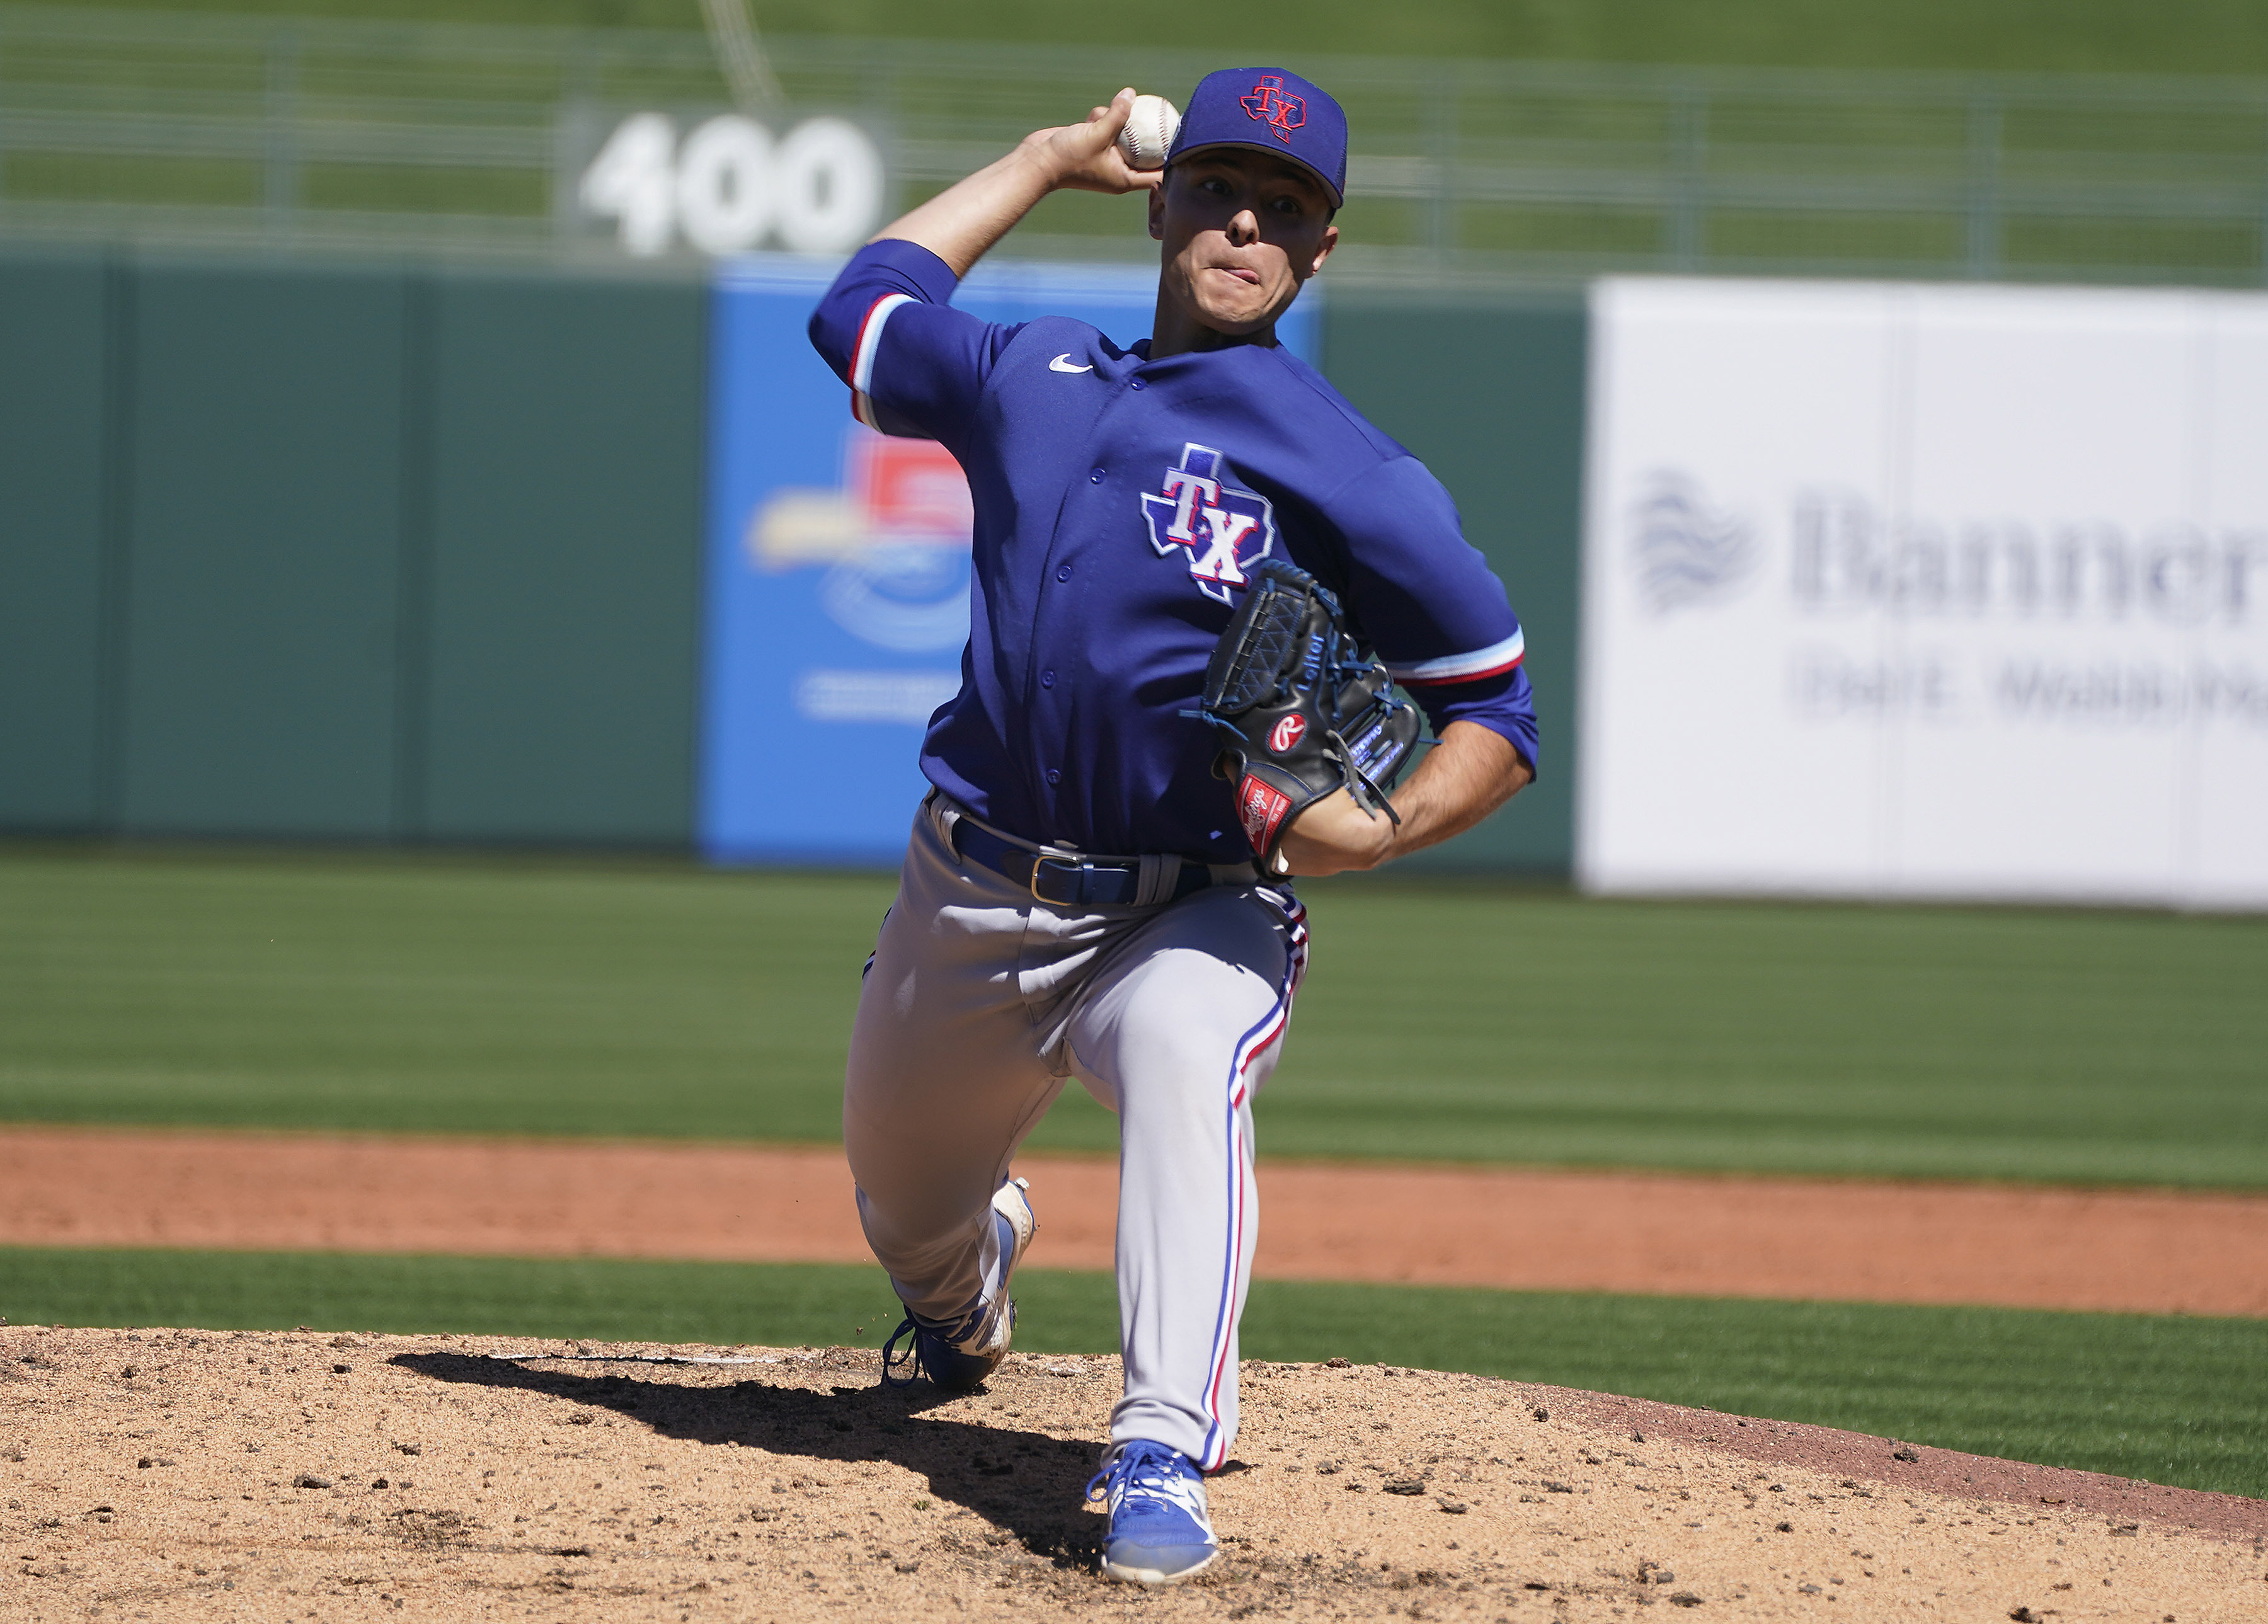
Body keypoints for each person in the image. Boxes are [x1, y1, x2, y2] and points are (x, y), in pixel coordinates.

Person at [806, 67, 1537, 1586]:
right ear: (1163, 199)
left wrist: (1387, 827)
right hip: (977, 883)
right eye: (1217, 185)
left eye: (1287, 206)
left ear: (1321, 250)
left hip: (1192, 900)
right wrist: (1040, 154)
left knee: (1187, 1059)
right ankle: (961, 1288)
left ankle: (1159, 1446)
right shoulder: (1034, 368)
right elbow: (861, 309)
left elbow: (1499, 711)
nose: (1246, 221)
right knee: (902, 1200)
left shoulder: (1346, 463)